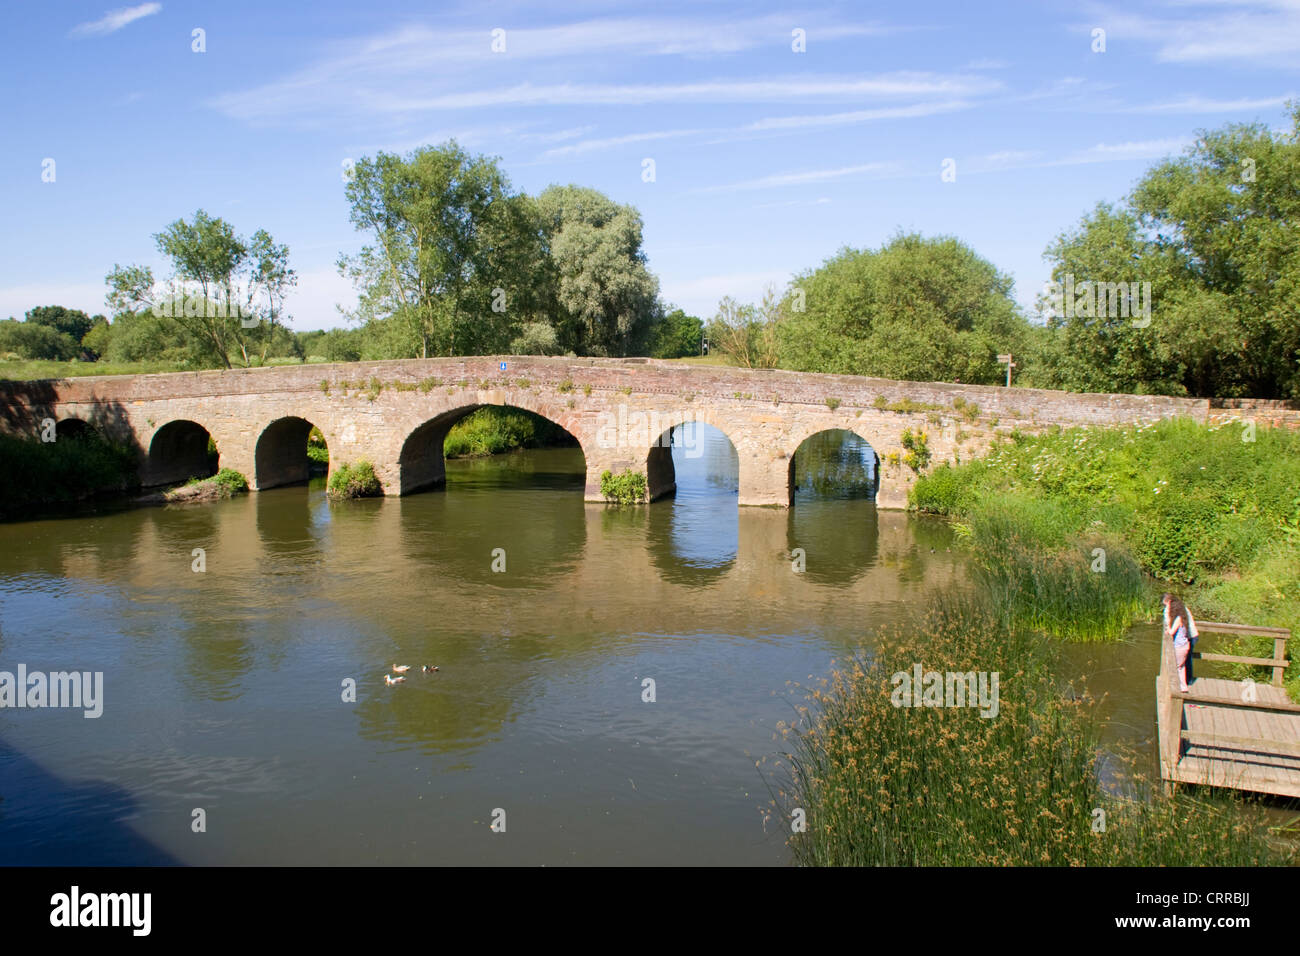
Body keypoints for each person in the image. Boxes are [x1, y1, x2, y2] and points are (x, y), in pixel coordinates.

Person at [1162, 593, 1195, 693]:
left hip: (1180, 646)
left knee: (1175, 666)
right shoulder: (1183, 617)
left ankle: (1178, 689)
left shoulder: (1178, 619)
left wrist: (1167, 617)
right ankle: (1183, 686)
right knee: (1181, 666)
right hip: (1185, 645)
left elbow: (1171, 632)